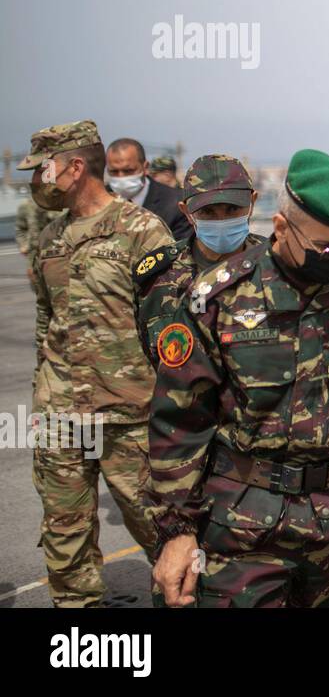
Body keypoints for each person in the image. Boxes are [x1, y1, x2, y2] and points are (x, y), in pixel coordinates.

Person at [148, 149, 329, 607]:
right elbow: (180, 423)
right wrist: (176, 531)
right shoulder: (218, 298)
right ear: (282, 228)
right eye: (327, 249)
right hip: (245, 532)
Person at [21, 120, 174, 607]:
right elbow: (48, 322)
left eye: (42, 167)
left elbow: (170, 326)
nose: (36, 178)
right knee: (64, 530)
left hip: (128, 413)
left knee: (158, 526)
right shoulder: (49, 238)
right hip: (61, 414)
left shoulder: (141, 230)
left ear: (75, 166)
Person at [134, 155, 264, 370]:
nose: (221, 221)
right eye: (207, 212)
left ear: (252, 203)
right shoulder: (158, 278)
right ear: (186, 212)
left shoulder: (277, 267)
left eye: (232, 209)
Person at [106, 137, 189, 240]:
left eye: (128, 171)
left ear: (145, 167)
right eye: (114, 172)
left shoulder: (175, 204)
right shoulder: (98, 199)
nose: (121, 177)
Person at [15, 195, 64, 291]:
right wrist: (23, 245)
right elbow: (20, 228)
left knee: (61, 286)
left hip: (58, 253)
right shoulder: (26, 206)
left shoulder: (60, 203)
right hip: (35, 254)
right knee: (38, 286)